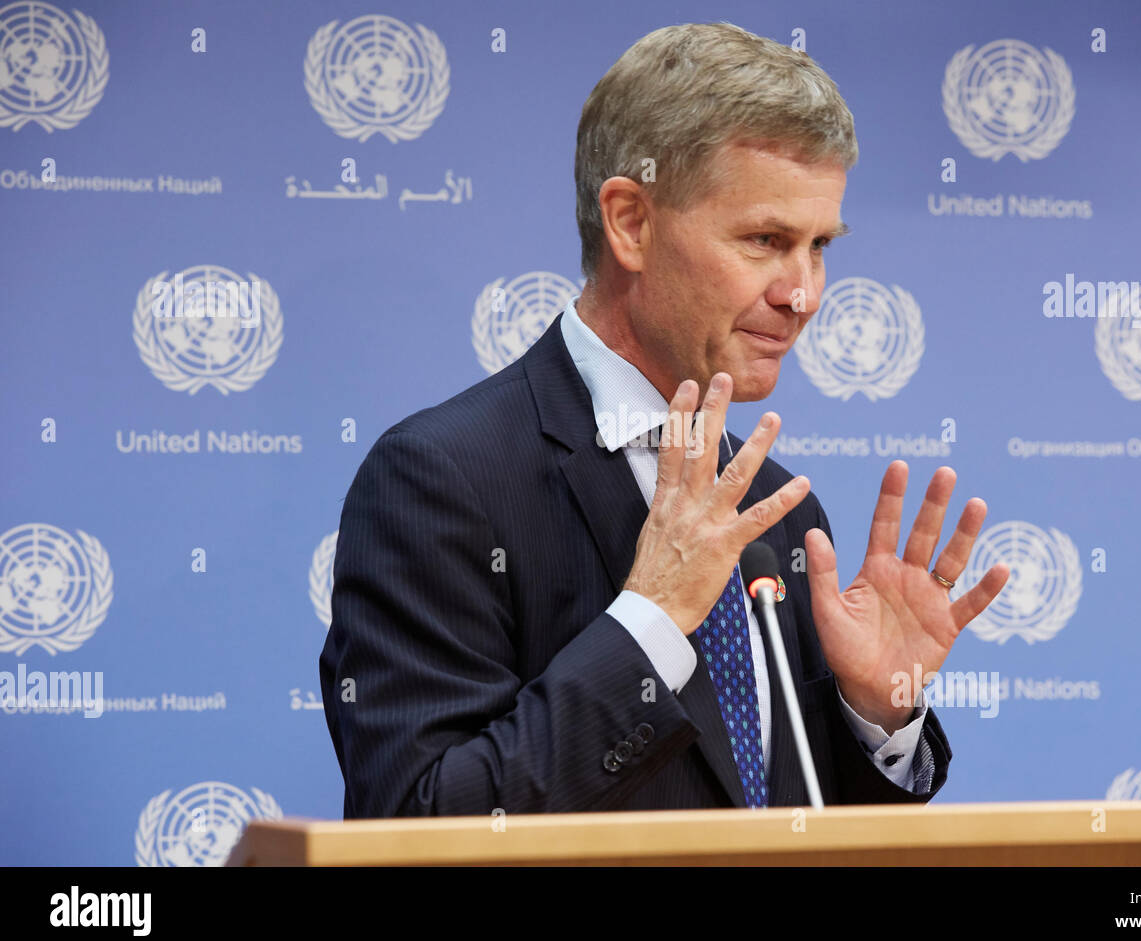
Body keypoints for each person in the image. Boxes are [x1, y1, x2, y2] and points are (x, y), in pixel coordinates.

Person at [319, 21, 1009, 818]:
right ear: (631, 224)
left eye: (820, 246)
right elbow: (417, 824)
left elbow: (800, 822)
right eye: (765, 240)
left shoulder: (779, 514)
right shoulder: (442, 480)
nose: (804, 294)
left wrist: (875, 712)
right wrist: (650, 619)